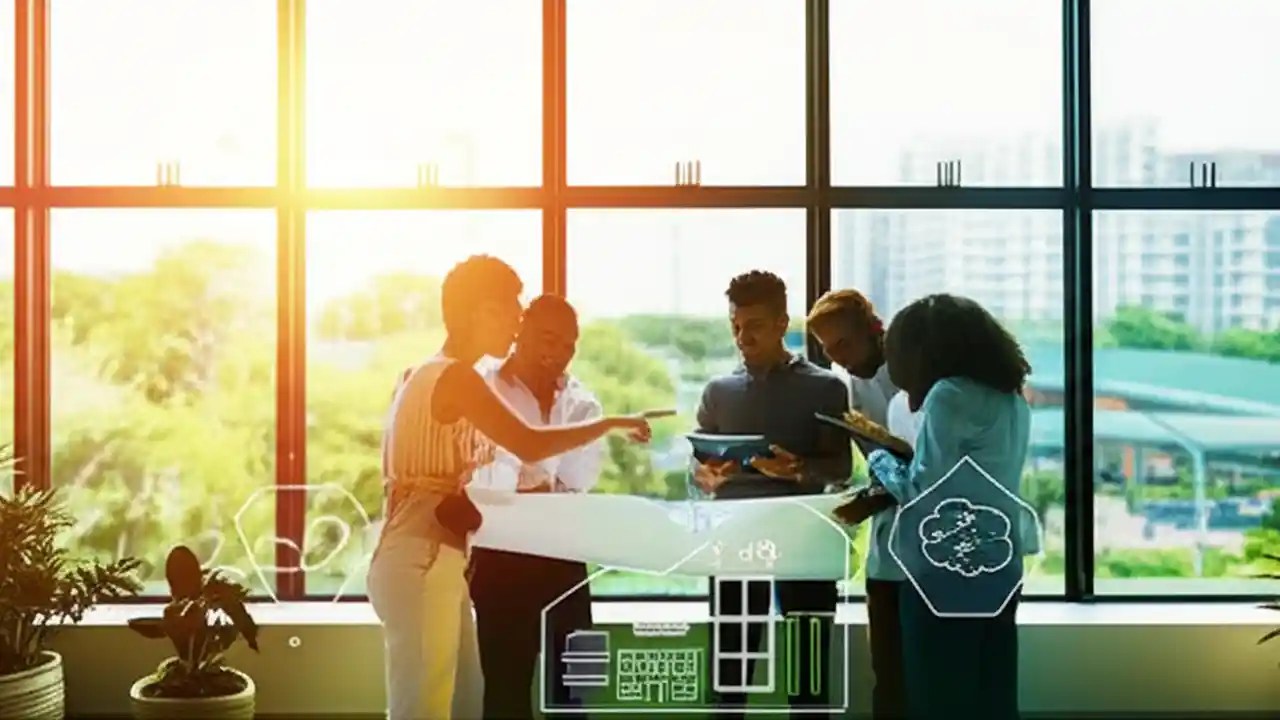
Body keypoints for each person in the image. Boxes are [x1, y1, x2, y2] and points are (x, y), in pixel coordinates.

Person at [365, 255, 652, 720]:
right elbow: (529, 444)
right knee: (424, 707)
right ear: (482, 311)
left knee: (459, 702)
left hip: (429, 553)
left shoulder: (425, 371)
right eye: (511, 307)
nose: (519, 320)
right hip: (422, 555)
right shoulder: (456, 375)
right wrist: (612, 424)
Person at [868, 293, 1036, 720]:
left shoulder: (948, 394)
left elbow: (925, 491)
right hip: (999, 561)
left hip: (941, 566)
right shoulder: (1011, 398)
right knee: (992, 691)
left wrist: (881, 459)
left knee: (936, 695)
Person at [691, 270, 851, 717]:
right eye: (736, 326)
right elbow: (697, 464)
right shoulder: (718, 392)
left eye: (755, 326)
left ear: (783, 323)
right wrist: (705, 475)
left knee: (809, 681)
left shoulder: (826, 387)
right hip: (735, 540)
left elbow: (841, 469)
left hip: (804, 539)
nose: (743, 337)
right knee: (730, 677)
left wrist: (797, 469)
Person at [469, 294, 602, 720]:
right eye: (548, 339)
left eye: (569, 345)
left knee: (576, 692)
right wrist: (537, 477)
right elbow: (477, 475)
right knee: (505, 691)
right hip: (500, 559)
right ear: (521, 330)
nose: (559, 354)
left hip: (565, 558)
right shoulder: (482, 387)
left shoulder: (584, 405)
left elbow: (578, 482)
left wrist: (519, 472)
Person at [806, 289, 914, 719]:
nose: (839, 359)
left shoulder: (919, 380)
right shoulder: (846, 392)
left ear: (875, 328)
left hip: (933, 545)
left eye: (844, 345)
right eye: (829, 351)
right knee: (887, 673)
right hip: (886, 548)